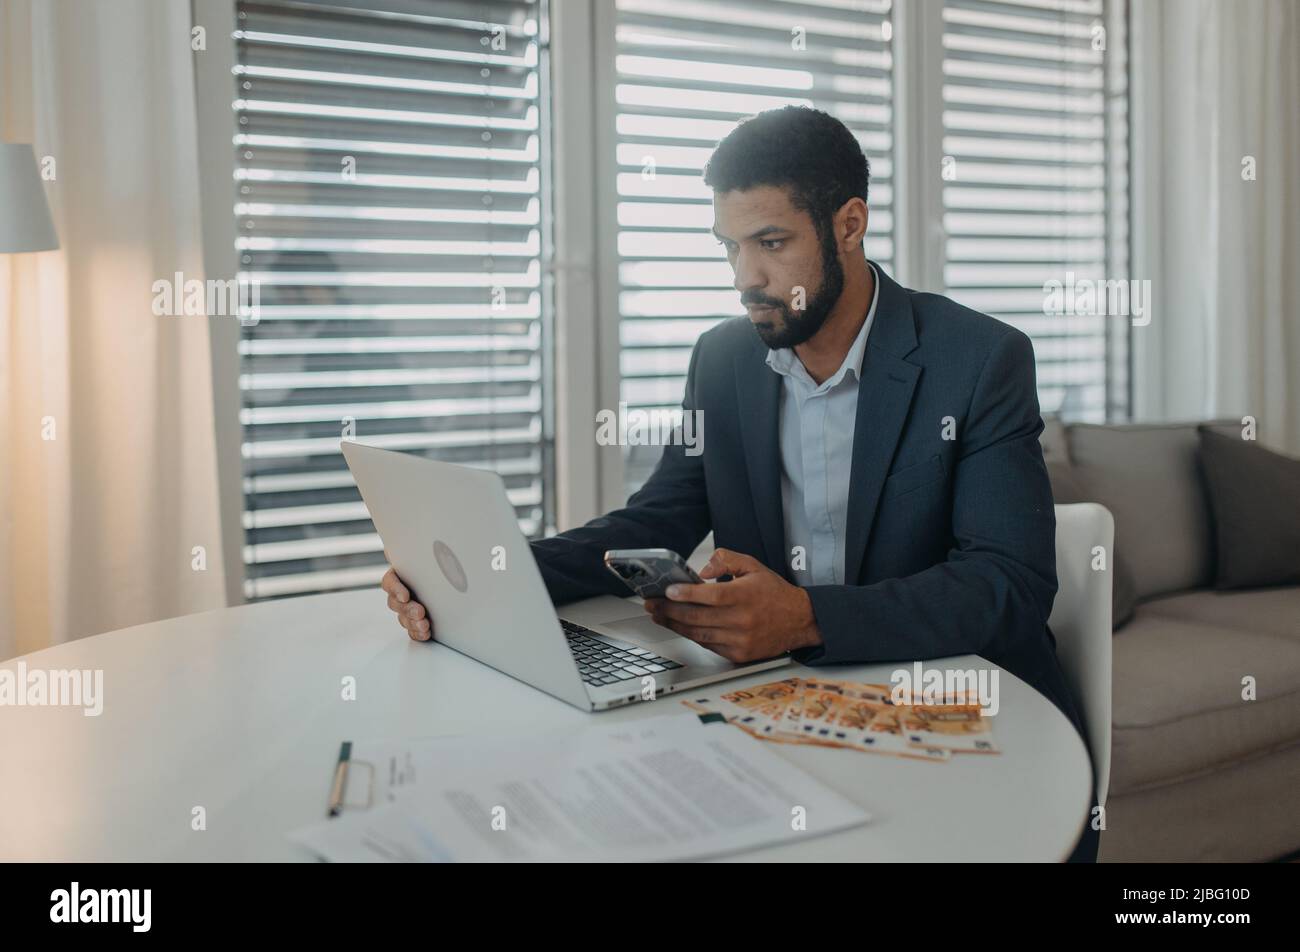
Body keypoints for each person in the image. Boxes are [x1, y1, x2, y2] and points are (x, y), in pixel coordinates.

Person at [381, 105, 1100, 862]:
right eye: (729, 247)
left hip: (968, 713)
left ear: (849, 225)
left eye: (772, 243)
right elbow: (657, 516)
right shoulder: (722, 359)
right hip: (788, 710)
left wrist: (805, 618)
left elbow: (1009, 583)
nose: (745, 277)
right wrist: (487, 571)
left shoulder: (979, 359)